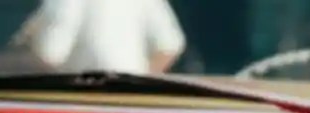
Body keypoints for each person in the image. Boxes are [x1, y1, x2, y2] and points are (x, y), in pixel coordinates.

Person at [17, 0, 185, 74]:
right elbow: (169, 47)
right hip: (135, 110)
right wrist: (140, 83)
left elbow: (48, 55)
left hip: (75, 109)